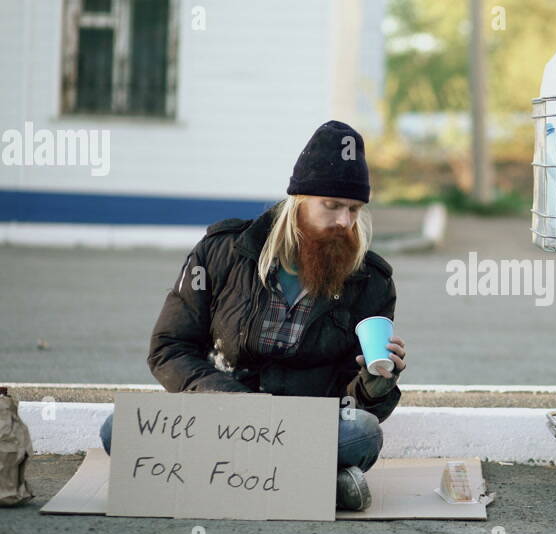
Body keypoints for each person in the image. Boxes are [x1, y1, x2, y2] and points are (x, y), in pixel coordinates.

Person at [97, 120, 406, 511]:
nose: (345, 222)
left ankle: (221, 478)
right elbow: (169, 349)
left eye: (354, 209)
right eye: (332, 206)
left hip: (300, 427)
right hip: (218, 415)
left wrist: (375, 383)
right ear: (298, 201)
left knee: (362, 434)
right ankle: (313, 483)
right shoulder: (222, 252)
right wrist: (234, 403)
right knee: (119, 430)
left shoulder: (371, 281)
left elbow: (356, 406)